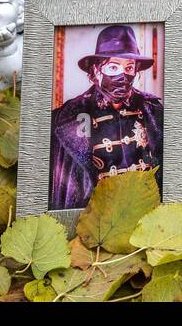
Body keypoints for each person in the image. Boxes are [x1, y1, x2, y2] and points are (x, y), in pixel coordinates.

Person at [50, 24, 163, 210]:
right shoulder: (68, 116)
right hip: (96, 216)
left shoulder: (153, 110)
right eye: (113, 67)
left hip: (147, 209)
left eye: (129, 68)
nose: (122, 75)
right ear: (96, 71)